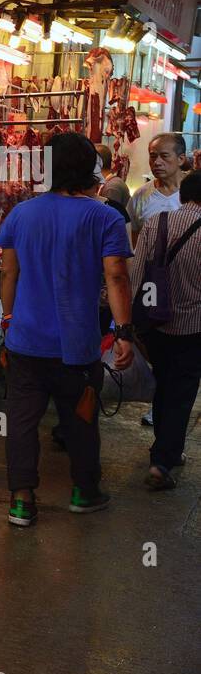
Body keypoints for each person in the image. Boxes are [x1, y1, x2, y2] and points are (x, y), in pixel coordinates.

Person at [0, 132, 134, 527]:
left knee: (21, 421)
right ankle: (84, 492)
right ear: (91, 169)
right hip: (77, 345)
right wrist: (124, 332)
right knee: (82, 419)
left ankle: (21, 501)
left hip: (25, 341)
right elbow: (117, 277)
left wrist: (8, 319)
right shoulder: (105, 216)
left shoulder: (22, 213)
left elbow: (9, 271)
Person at [129, 169, 201, 491]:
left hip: (155, 323)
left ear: (183, 195)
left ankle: (165, 447)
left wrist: (130, 324)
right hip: (193, 328)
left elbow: (135, 275)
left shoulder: (156, 223)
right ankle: (162, 461)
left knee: (163, 382)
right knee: (181, 392)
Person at [128, 133, 187, 427]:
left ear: (181, 159)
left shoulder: (191, 197)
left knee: (181, 357)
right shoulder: (141, 197)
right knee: (154, 347)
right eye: (153, 156)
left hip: (186, 288)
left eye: (164, 156)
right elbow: (136, 244)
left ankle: (169, 411)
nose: (157, 162)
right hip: (152, 288)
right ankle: (158, 404)